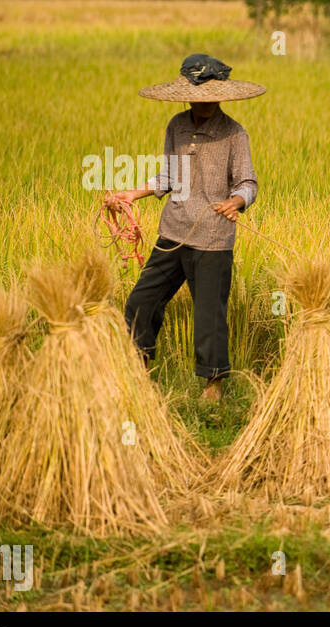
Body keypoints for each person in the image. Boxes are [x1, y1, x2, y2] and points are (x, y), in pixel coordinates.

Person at [108, 54, 264, 403]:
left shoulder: (234, 134)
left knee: (209, 315)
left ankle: (213, 389)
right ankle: (139, 371)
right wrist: (134, 193)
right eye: (197, 97)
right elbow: (169, 175)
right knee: (141, 301)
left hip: (212, 237)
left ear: (222, 96)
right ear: (186, 95)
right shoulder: (176, 126)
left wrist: (236, 202)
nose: (203, 103)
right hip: (174, 231)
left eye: (210, 98)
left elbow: (247, 182)